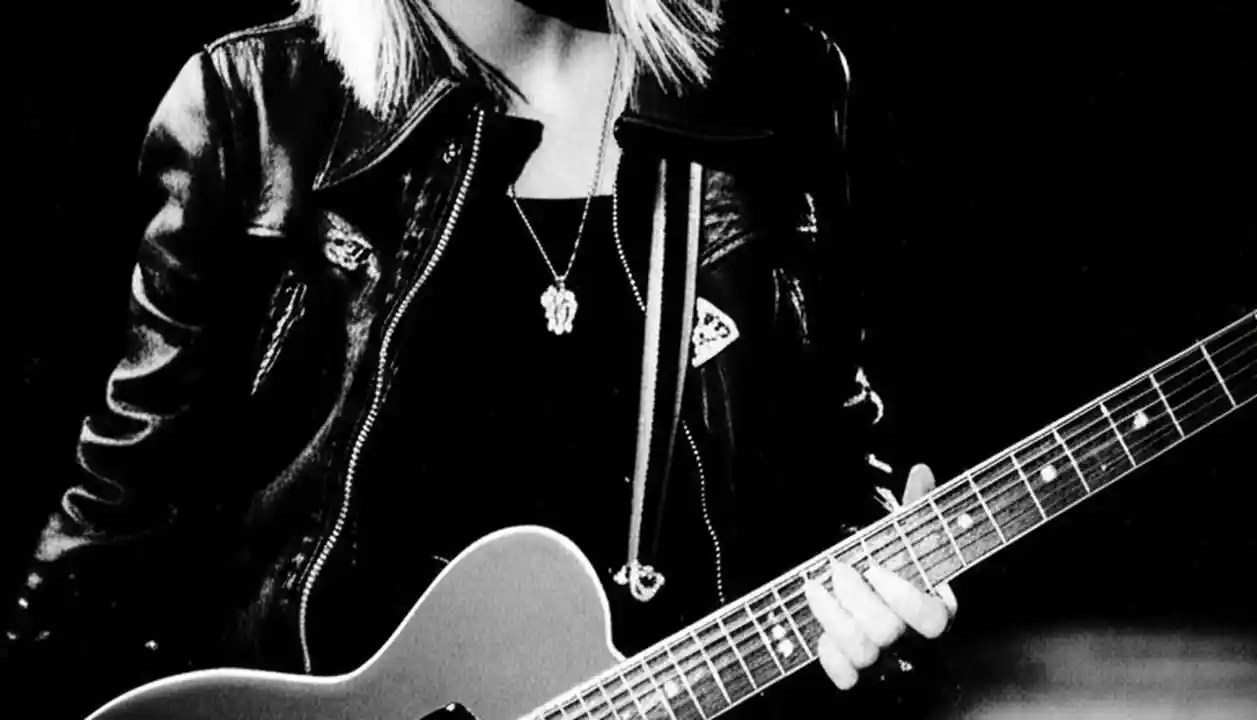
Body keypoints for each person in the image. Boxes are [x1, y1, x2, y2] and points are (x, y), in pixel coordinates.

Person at [3, 1, 957, 717]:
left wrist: (877, 616)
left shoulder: (772, 85)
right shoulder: (256, 105)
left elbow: (828, 476)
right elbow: (109, 538)